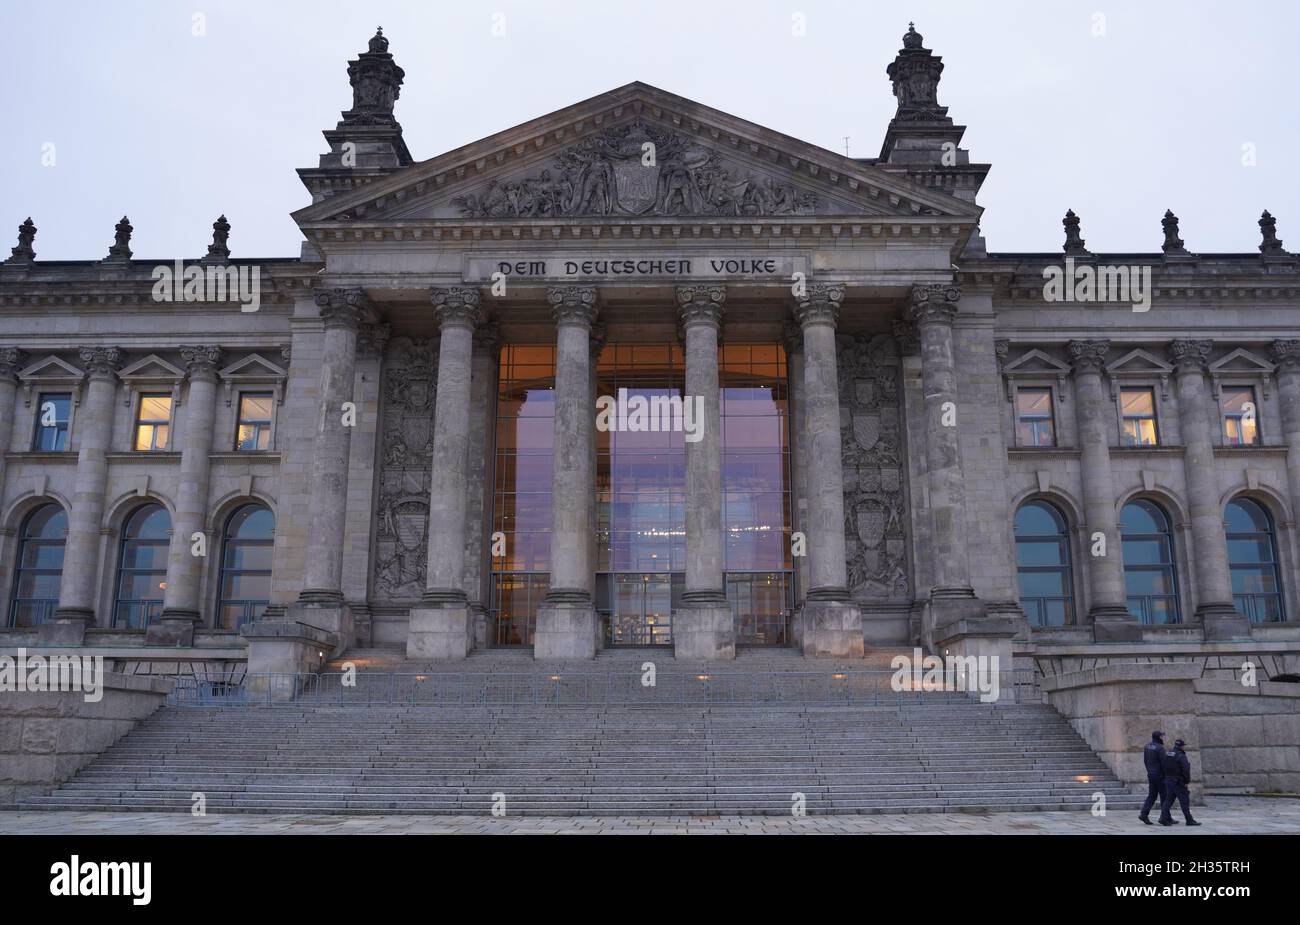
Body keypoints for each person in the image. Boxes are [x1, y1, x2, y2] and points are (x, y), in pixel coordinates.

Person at [1158, 738, 1201, 827]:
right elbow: (1186, 769)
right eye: (1183, 746)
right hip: (1178, 782)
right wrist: (1186, 781)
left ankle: (1163, 818)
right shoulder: (1181, 756)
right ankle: (1189, 820)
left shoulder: (1168, 754)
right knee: (1184, 801)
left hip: (1168, 781)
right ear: (1181, 746)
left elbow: (1162, 766)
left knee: (1168, 800)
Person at [1138, 730, 1166, 824]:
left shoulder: (1147, 746)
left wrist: (1150, 771)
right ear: (1158, 737)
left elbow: (1145, 761)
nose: (1163, 738)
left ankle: (1144, 814)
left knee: (1152, 796)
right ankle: (1164, 817)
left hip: (1151, 774)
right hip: (1160, 775)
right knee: (1164, 796)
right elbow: (1163, 763)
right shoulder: (1160, 748)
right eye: (1162, 736)